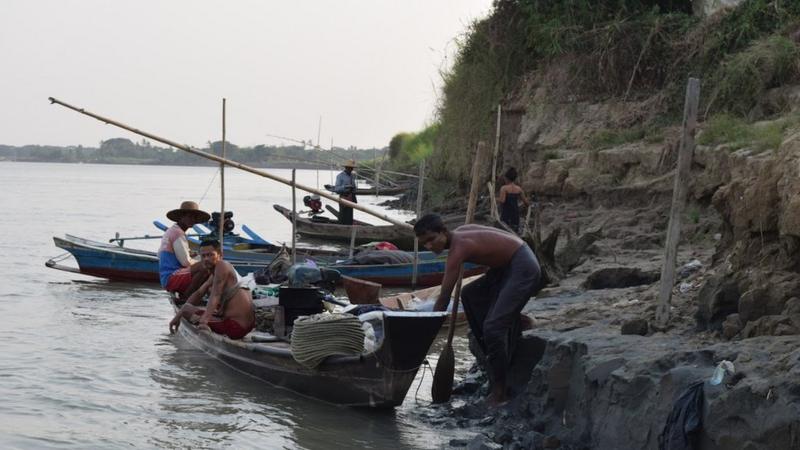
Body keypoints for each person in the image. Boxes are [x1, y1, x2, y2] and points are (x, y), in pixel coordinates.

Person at [414, 213, 541, 407]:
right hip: (504, 269)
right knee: (469, 294)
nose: (429, 246)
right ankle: (511, 326)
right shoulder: (460, 235)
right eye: (424, 244)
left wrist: (426, 335)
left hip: (523, 266)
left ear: (443, 232)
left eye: (432, 239)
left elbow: (444, 297)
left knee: (492, 329)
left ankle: (500, 392)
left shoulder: (459, 247)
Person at [169, 239, 255, 340]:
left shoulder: (221, 266)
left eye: (210, 255)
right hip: (245, 325)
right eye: (203, 256)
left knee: (187, 310)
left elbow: (216, 295)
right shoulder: (219, 271)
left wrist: (203, 321)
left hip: (235, 327)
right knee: (186, 308)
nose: (206, 259)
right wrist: (180, 313)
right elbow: (200, 292)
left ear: (220, 255)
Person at [158, 201, 212, 299]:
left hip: (167, 277)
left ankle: (203, 296)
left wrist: (194, 256)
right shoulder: (177, 233)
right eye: (189, 216)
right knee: (205, 266)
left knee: (205, 264)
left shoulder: (171, 231)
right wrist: (200, 261)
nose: (192, 220)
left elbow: (161, 254)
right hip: (171, 277)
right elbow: (186, 262)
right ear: (181, 217)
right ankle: (186, 297)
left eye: (194, 217)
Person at [497, 167, 530, 234]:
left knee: (504, 233)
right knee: (515, 232)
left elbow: (502, 201)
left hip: (506, 214)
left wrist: (494, 198)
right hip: (515, 215)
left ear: (506, 178)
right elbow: (526, 203)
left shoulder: (504, 188)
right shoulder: (519, 189)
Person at [325, 160, 358, 225]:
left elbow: (354, 187)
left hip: (350, 198)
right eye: (350, 168)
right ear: (346, 168)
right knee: (343, 216)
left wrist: (353, 188)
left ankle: (349, 228)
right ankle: (341, 228)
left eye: (352, 168)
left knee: (349, 217)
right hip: (343, 198)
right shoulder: (340, 176)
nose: (351, 169)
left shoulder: (352, 176)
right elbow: (337, 189)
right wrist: (346, 187)